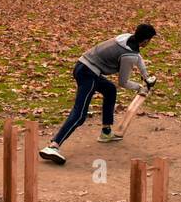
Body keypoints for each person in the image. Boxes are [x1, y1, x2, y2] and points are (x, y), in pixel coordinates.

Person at [40, 24, 157, 164]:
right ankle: (53, 146)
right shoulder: (128, 56)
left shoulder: (126, 38)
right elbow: (123, 82)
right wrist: (140, 87)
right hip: (88, 74)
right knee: (80, 114)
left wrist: (146, 77)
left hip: (82, 66)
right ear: (145, 41)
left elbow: (137, 56)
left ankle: (106, 133)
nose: (149, 43)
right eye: (149, 40)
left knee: (109, 89)